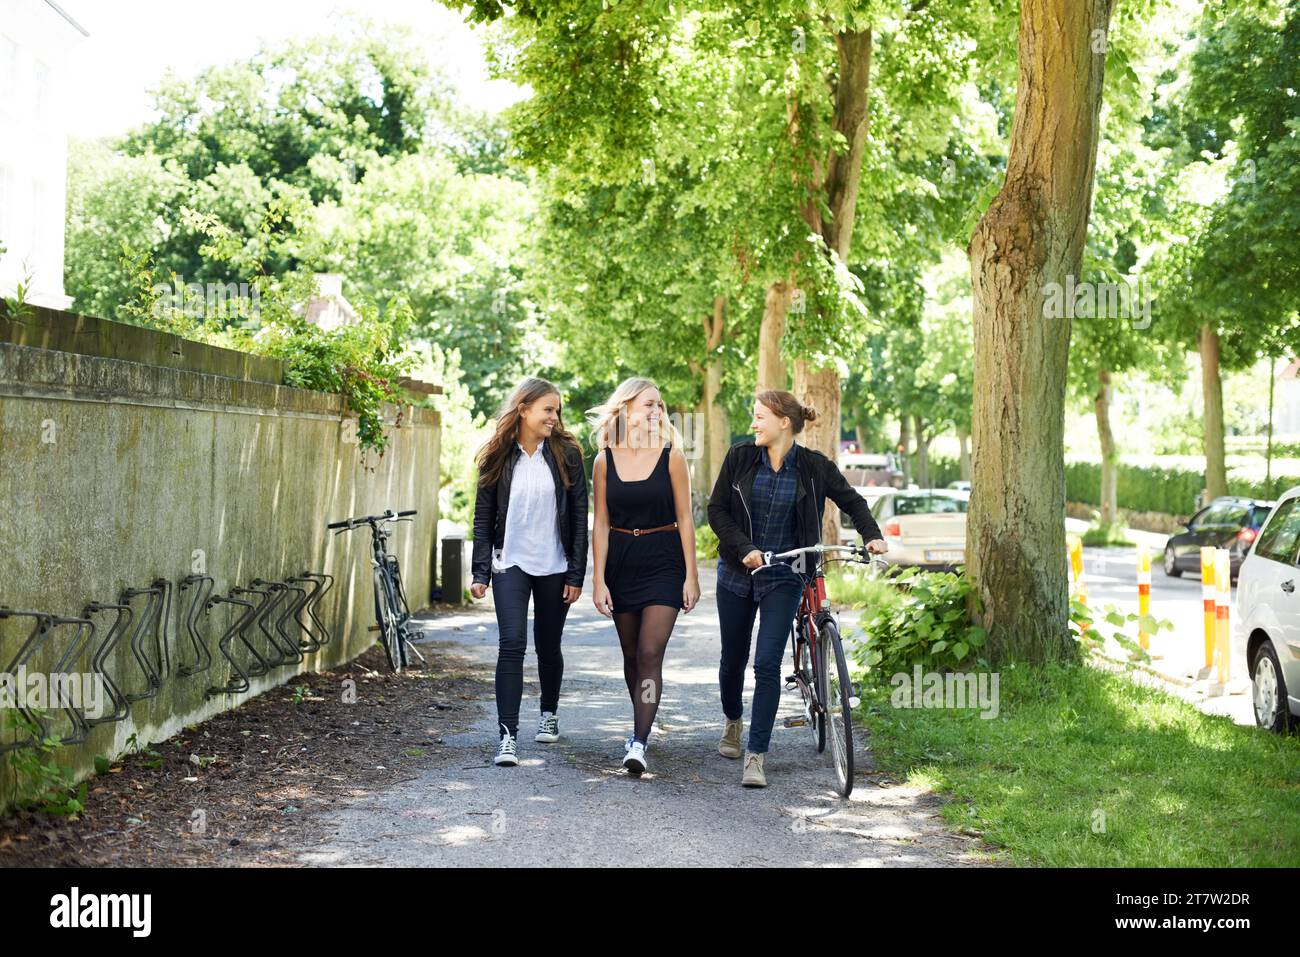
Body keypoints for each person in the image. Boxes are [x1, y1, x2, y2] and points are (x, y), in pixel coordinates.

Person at [707, 390, 887, 788]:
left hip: (786, 576)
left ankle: (756, 754)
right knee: (732, 660)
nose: (753, 424)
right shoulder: (739, 458)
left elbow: (852, 501)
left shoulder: (814, 467)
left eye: (759, 417)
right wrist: (746, 548)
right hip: (738, 572)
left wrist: (872, 535)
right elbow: (716, 510)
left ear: (783, 422)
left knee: (767, 662)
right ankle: (733, 721)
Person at [471, 377, 588, 767]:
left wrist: (576, 574)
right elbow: (483, 517)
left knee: (548, 644)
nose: (554, 417)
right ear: (523, 409)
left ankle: (549, 714)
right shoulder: (498, 455)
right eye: (547, 410)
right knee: (512, 644)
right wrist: (480, 571)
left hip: (555, 564)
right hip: (511, 563)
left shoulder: (567, 453)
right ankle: (507, 737)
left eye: (557, 410)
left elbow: (578, 515)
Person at [588, 377, 700, 775]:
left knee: (651, 652)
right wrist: (597, 579)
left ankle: (639, 740)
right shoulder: (604, 459)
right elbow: (600, 523)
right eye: (648, 405)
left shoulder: (672, 455)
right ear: (626, 409)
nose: (656, 412)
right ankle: (642, 716)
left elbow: (686, 518)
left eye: (659, 406)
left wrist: (692, 575)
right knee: (632, 655)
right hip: (622, 561)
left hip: (664, 559)